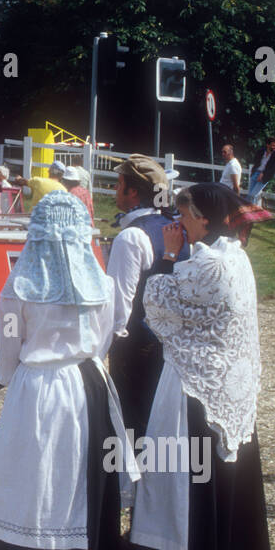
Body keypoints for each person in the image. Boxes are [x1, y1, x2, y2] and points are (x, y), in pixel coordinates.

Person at [0, 191, 137, 550]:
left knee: (32, 482)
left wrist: (11, 378)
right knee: (77, 480)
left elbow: (8, 348)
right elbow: (103, 339)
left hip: (38, 386)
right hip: (87, 385)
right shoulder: (102, 286)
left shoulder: (18, 287)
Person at [128, 183, 274, 550]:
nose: (178, 223)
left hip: (198, 386)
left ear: (205, 219)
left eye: (185, 215)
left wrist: (169, 255)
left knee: (189, 476)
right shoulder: (236, 257)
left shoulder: (204, 265)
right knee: (224, 474)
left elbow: (155, 304)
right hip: (230, 384)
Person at [106, 154, 186, 440]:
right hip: (173, 345)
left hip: (136, 348)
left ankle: (131, 482)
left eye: (118, 185)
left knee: (131, 424)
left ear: (133, 192)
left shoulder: (131, 238)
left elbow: (119, 307)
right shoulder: (178, 227)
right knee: (160, 423)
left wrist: (107, 348)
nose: (115, 190)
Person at [61, 165, 103, 269]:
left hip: (78, 232)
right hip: (89, 228)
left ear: (66, 181)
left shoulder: (70, 195)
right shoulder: (85, 192)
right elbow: (91, 210)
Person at [247, 137, 275, 204]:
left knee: (253, 195)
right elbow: (255, 161)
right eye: (273, 145)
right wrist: (254, 171)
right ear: (267, 145)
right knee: (249, 195)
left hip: (264, 176)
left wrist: (263, 173)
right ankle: (249, 212)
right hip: (255, 173)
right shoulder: (261, 151)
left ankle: (251, 213)